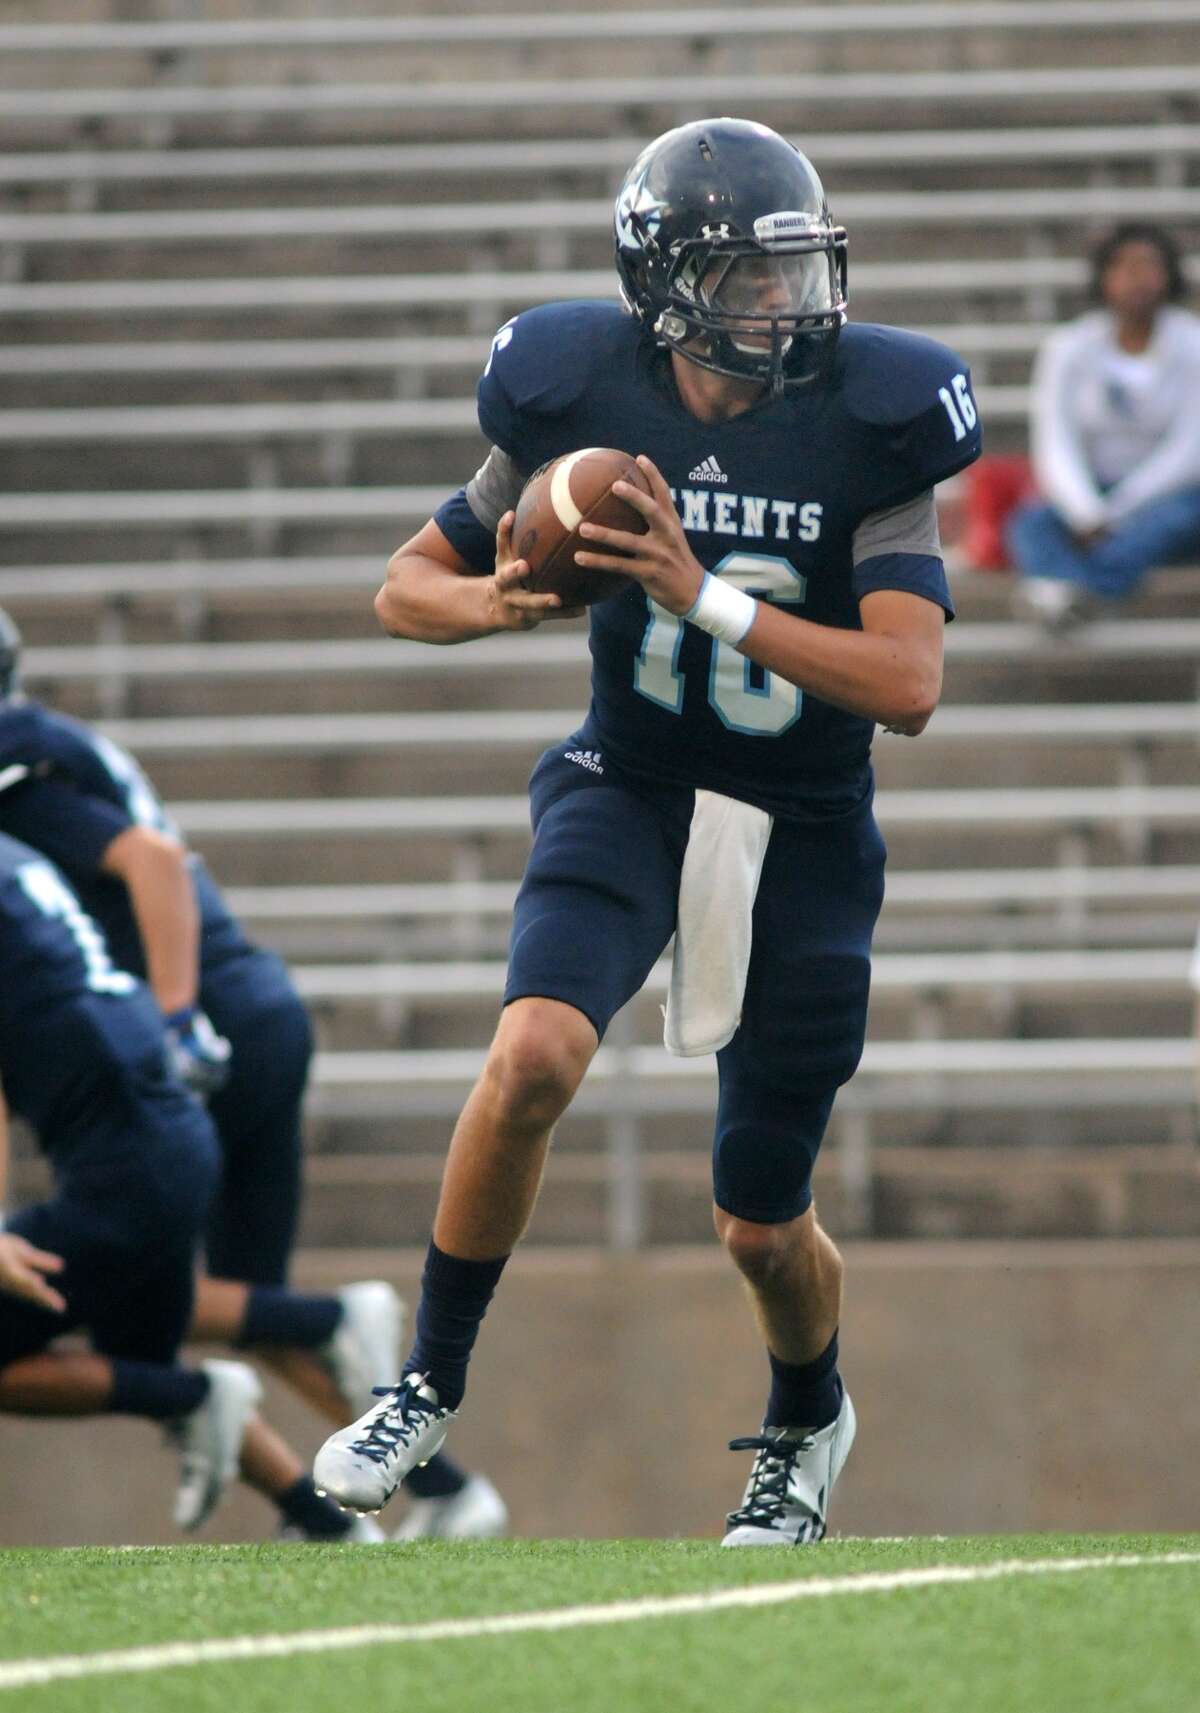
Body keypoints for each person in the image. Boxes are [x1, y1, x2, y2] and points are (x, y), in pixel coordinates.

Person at [315, 117, 981, 1544]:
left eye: (797, 272)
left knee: (758, 1222)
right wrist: (499, 600)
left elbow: (911, 685)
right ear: (670, 286)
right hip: (627, 779)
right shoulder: (578, 401)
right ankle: (426, 1381)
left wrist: (704, 596)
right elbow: (402, 588)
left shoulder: (875, 415)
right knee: (536, 1049)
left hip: (802, 820)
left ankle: (809, 1417)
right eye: (753, 278)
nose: (789, 306)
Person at [0, 610, 506, 1540]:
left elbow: (153, 865)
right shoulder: (50, 739)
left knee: (148, 1303)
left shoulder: (17, 768)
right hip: (245, 1005)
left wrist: (179, 1018)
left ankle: (330, 1338)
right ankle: (426, 1492)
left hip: (204, 1027)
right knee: (209, 1305)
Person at [0, 829, 384, 1541]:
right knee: (143, 1354)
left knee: (167, 1381)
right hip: (166, 1133)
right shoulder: (17, 860)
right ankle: (322, 1519)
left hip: (127, 1167)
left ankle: (320, 1322)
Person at [1007, 222, 1200, 627]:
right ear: (1104, 276)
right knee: (1032, 521)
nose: (1137, 279)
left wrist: (1118, 512)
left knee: (1176, 520)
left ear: (1169, 275)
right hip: (1091, 494)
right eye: (1125, 267)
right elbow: (1056, 440)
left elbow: (1188, 450)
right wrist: (1085, 511)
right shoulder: (1068, 348)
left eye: (1148, 266)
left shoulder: (1193, 345)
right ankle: (1077, 588)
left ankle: (1071, 590)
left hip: (1168, 499)